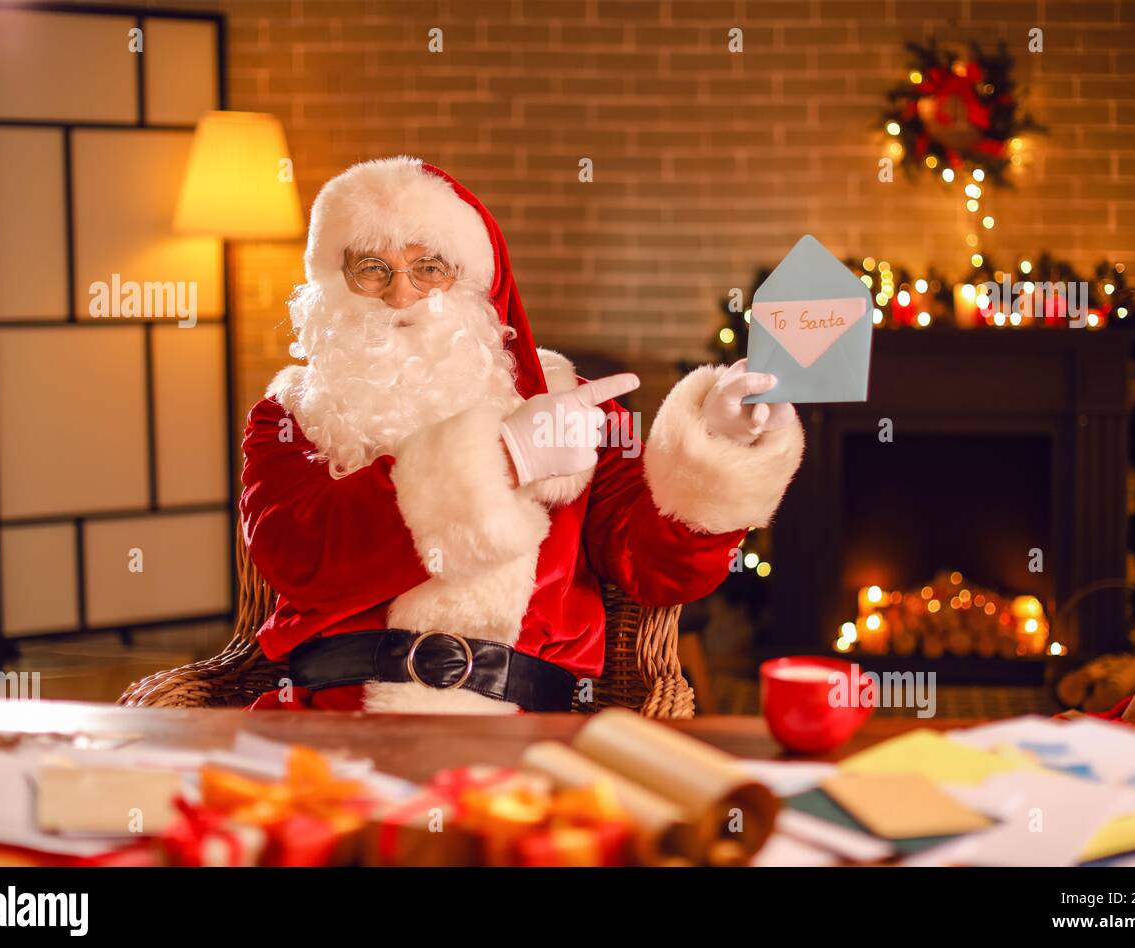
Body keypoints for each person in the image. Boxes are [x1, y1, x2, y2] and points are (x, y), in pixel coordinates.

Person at [242, 155, 803, 713]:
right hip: (338, 718)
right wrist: (505, 458)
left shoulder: (566, 404)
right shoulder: (292, 414)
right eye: (371, 268)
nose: (401, 294)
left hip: (527, 728)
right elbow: (297, 556)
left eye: (430, 268)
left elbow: (655, 567)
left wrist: (716, 447)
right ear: (334, 285)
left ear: (478, 286)